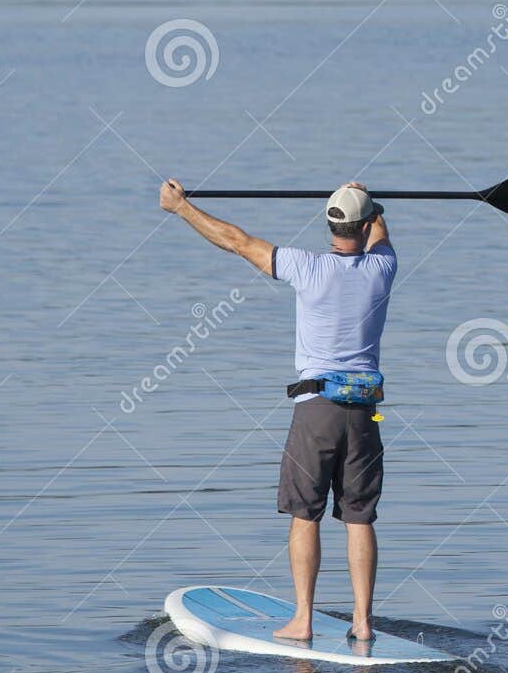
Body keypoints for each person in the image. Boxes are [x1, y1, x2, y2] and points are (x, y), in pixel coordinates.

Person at [158, 178, 396, 647]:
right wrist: (369, 198)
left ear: (328, 224)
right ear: (366, 224)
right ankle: (363, 622)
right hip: (366, 414)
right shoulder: (383, 267)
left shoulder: (305, 267)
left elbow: (236, 241)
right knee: (360, 518)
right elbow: (381, 233)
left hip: (316, 411)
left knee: (305, 515)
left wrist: (181, 209)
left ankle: (303, 620)